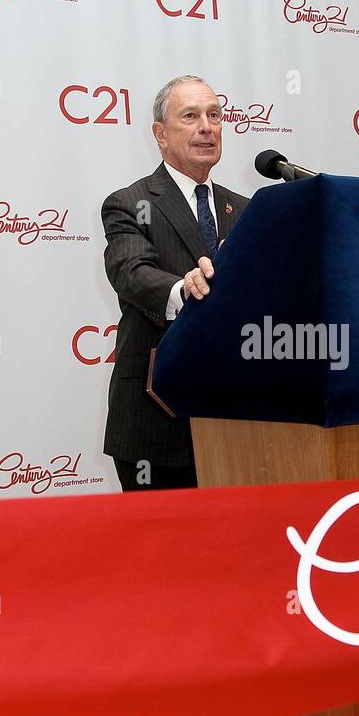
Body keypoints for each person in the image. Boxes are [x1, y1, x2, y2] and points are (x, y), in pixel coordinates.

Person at [101, 75, 250, 491]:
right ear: (160, 134)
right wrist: (183, 289)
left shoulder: (246, 209)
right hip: (156, 421)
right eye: (190, 116)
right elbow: (130, 271)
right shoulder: (130, 203)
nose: (207, 126)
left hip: (237, 422)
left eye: (214, 115)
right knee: (160, 551)